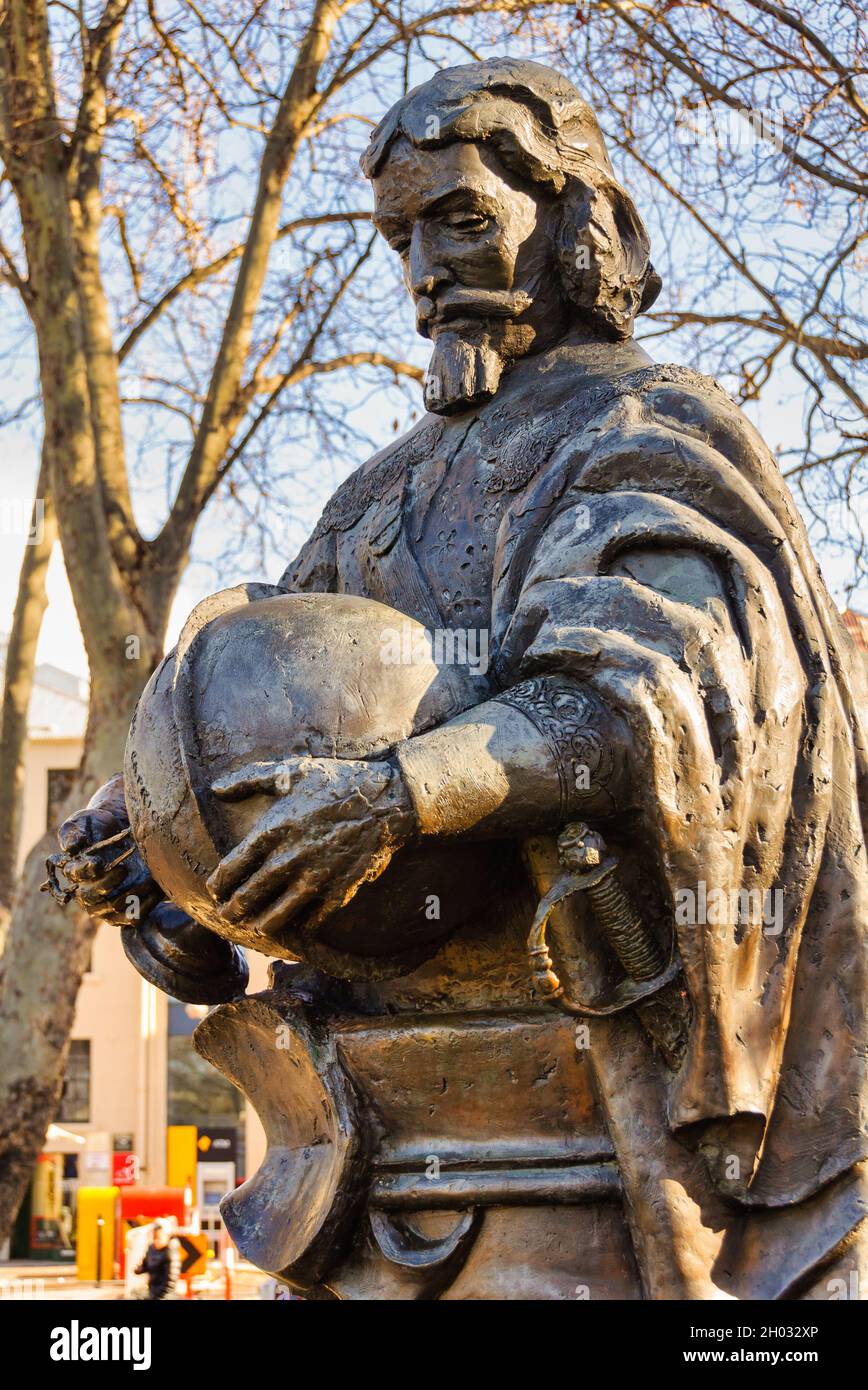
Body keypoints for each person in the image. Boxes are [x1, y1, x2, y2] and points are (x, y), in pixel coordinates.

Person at [57, 59, 867, 1299]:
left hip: (597, 1127)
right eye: (401, 236)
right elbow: (268, 692)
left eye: (464, 219)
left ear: (573, 217)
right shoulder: (374, 497)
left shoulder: (649, 425)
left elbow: (647, 692)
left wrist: (402, 793)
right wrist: (137, 818)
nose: (426, 268)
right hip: (366, 1150)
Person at [135, 1223, 173, 1301]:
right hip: (152, 1289)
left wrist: (166, 1292)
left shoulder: (168, 1252)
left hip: (164, 1292)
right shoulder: (151, 1248)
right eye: (155, 1237)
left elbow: (171, 1276)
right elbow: (145, 1265)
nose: (157, 1240)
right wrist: (139, 1269)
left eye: (159, 1237)